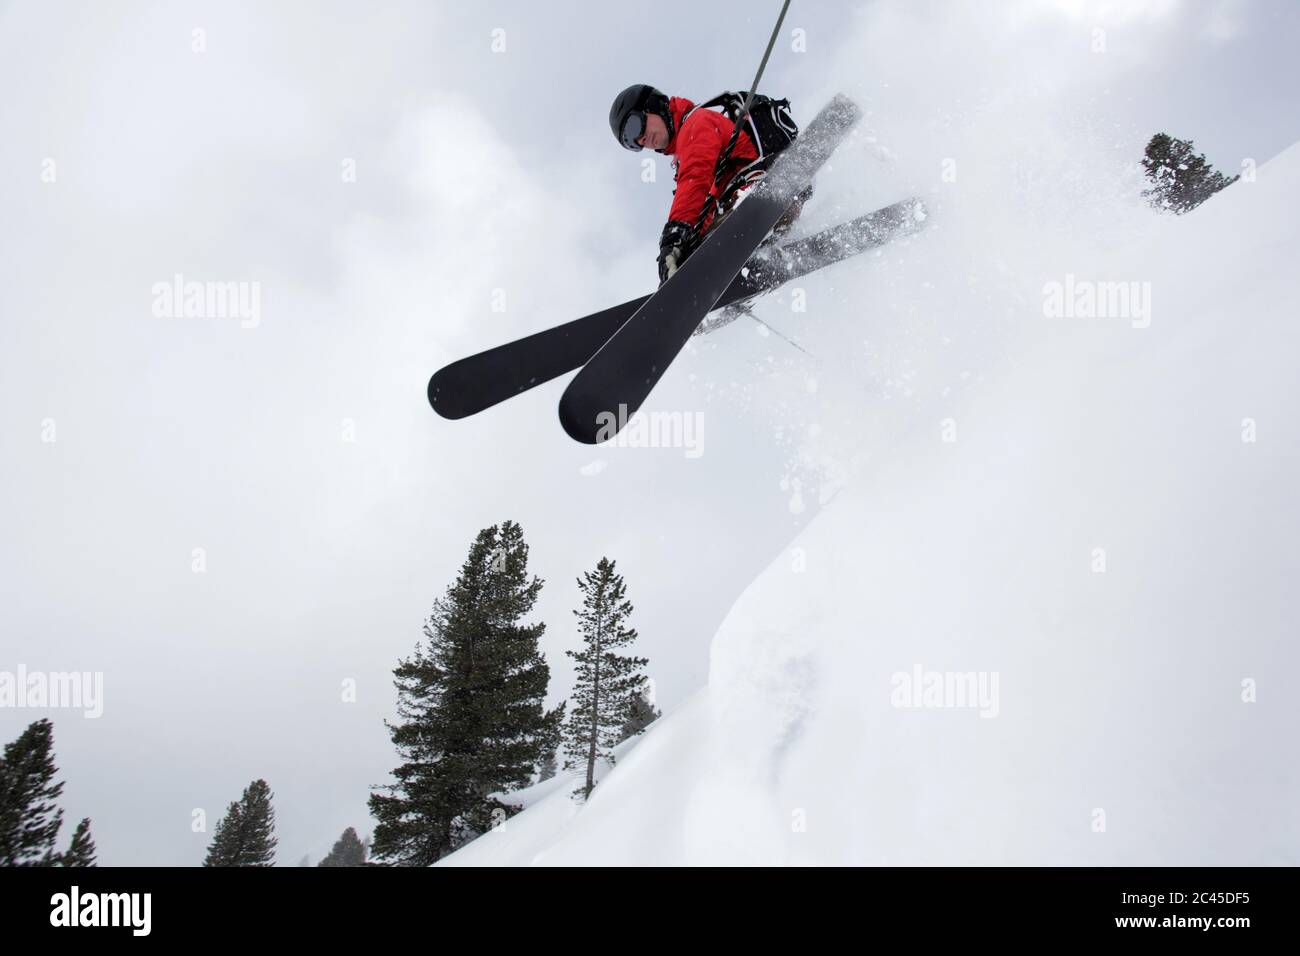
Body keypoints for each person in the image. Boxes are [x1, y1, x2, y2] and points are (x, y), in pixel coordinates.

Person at [609, 84, 810, 284]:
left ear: (652, 106)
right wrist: (686, 250)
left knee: (702, 253)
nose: (641, 139)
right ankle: (725, 284)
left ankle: (712, 275)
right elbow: (705, 203)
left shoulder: (696, 123)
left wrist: (674, 236)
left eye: (633, 126)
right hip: (764, 212)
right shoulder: (683, 151)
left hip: (761, 196)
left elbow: (695, 178)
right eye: (631, 142)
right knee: (695, 250)